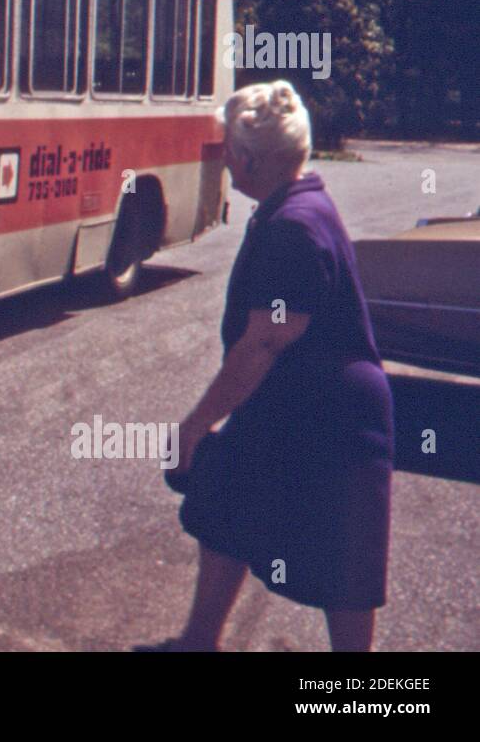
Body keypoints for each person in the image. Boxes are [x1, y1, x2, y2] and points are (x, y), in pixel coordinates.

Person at [137, 80, 394, 652]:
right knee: (223, 503)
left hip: (332, 412)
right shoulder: (295, 203)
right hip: (291, 397)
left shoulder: (294, 228)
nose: (222, 156)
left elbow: (263, 344)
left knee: (342, 556)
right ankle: (199, 641)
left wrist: (196, 423)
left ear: (248, 158)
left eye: (228, 146)